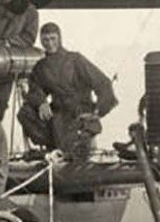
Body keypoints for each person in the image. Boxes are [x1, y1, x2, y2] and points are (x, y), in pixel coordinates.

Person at [17, 22, 118, 157]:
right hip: (58, 116)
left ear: (59, 38)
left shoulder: (75, 60)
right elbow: (35, 87)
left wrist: (97, 112)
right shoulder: (41, 66)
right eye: (45, 40)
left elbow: (102, 83)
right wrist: (41, 102)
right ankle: (53, 150)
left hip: (80, 114)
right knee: (25, 112)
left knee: (77, 158)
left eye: (53, 38)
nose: (50, 43)